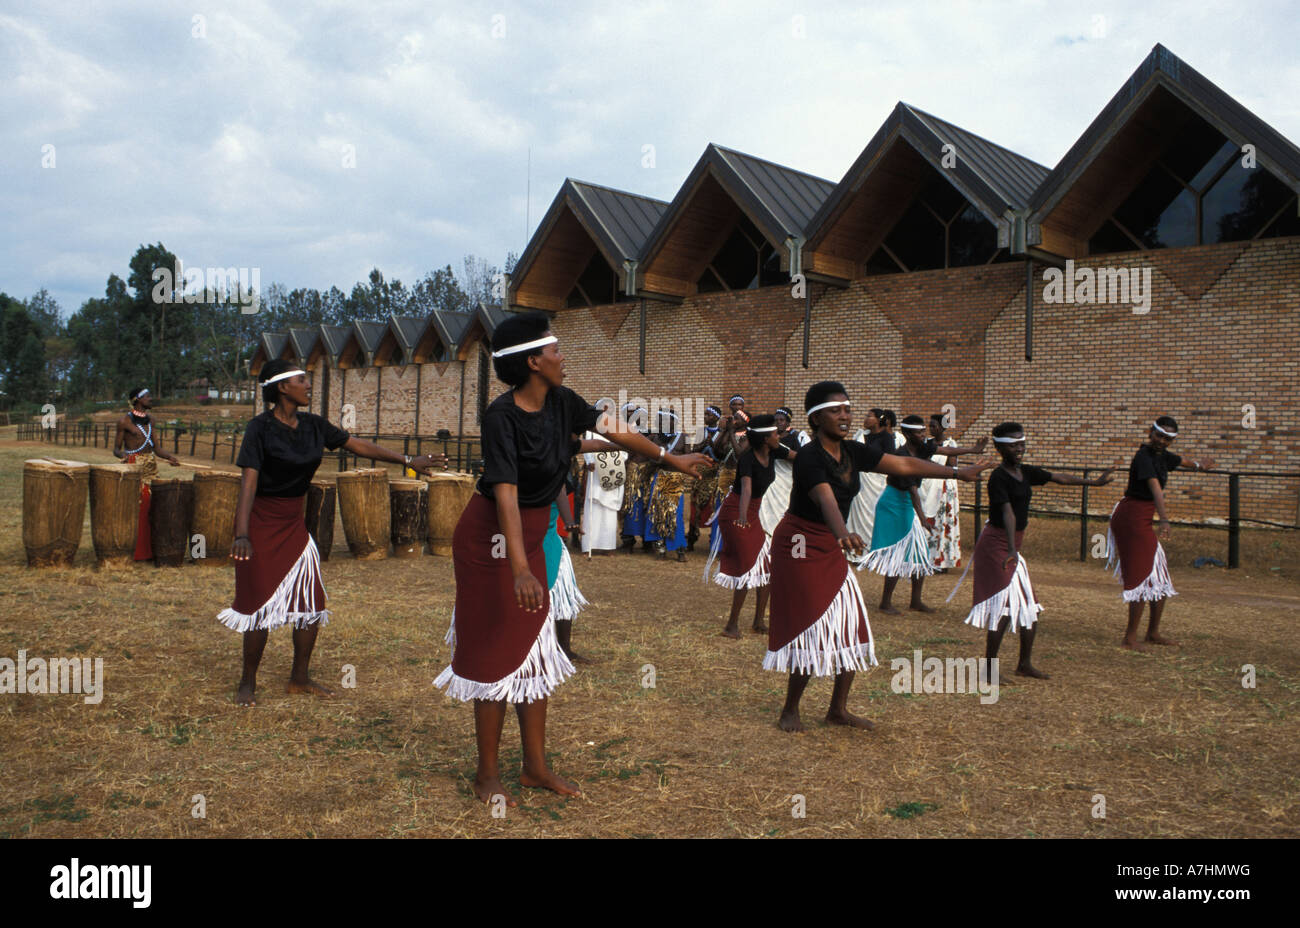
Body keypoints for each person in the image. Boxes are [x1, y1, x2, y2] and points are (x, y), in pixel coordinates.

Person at [432, 312, 710, 805]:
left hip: (530, 536)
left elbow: (617, 431)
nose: (564, 358)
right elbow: (506, 493)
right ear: (533, 361)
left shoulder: (562, 402)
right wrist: (519, 567)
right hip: (490, 540)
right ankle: (487, 774)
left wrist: (670, 459)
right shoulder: (501, 417)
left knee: (536, 649)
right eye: (556, 350)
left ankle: (535, 767)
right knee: (495, 647)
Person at [764, 382, 989, 733]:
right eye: (835, 410)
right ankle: (789, 709)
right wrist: (842, 533)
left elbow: (902, 464)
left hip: (830, 543)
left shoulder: (853, 451)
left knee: (851, 622)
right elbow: (824, 497)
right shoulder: (810, 457)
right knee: (812, 624)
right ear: (816, 417)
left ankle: (837, 709)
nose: (845, 415)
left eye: (847, 409)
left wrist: (959, 472)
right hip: (800, 542)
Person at [220, 359, 444, 707]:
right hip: (261, 524)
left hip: (294, 525)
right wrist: (242, 534)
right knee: (258, 607)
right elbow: (248, 484)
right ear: (282, 388)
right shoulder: (259, 429)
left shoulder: (314, 425)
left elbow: (357, 445)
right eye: (301, 380)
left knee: (310, 605)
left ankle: (299, 678)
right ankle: (247, 682)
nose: (308, 385)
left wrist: (407, 459)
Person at [958, 423, 1114, 678]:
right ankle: (988, 669)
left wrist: (1093, 483)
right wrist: (1011, 548)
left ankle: (1024, 664)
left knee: (1029, 606)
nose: (1019, 449)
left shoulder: (1025, 471)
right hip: (998, 545)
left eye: (1022, 444)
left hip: (1011, 546)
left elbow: (1058, 478)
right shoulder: (999, 477)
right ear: (999, 448)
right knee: (1004, 608)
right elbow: (1007, 512)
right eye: (1013, 445)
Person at [1107, 417, 1214, 651]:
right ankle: (1129, 638)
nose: (1162, 441)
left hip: (1142, 517)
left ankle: (1153, 632)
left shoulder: (1162, 455)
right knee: (1142, 576)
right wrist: (1164, 519)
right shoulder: (1144, 456)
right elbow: (1155, 487)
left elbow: (1181, 461)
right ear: (1150, 432)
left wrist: (1198, 465)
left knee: (1159, 577)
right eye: (1159, 435)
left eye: (1168, 438)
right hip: (1132, 517)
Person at [865, 415, 963, 613]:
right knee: (896, 553)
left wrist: (973, 450)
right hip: (893, 504)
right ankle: (885, 602)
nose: (923, 434)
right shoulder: (901, 455)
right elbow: (912, 490)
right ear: (908, 434)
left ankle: (915, 601)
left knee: (920, 554)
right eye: (919, 432)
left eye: (923, 431)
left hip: (907, 504)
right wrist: (922, 517)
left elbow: (946, 450)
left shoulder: (922, 448)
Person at [706, 414, 793, 638]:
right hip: (736, 513)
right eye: (775, 433)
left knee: (767, 567)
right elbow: (745, 489)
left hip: (751, 514)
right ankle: (731, 626)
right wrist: (743, 517)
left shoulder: (775, 450)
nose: (778, 436)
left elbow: (798, 457)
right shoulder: (748, 459)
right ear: (765, 438)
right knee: (747, 567)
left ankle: (758, 622)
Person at [113, 387, 181, 561]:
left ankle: (151, 551)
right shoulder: (124, 422)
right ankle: (136, 552)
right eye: (147, 396)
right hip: (134, 467)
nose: (151, 399)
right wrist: (124, 456)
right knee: (139, 508)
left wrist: (170, 457)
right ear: (137, 399)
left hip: (151, 467)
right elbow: (116, 449)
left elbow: (156, 448)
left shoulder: (151, 421)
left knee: (153, 507)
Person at [919, 413, 982, 571]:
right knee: (928, 521)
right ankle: (927, 557)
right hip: (927, 487)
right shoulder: (927, 443)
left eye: (934, 425)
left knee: (942, 523)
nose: (931, 428)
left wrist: (932, 465)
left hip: (943, 488)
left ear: (942, 427)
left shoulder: (950, 444)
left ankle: (942, 561)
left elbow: (952, 466)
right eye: (930, 425)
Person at [581, 430, 626, 556]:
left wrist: (618, 460)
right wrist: (589, 461)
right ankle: (588, 546)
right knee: (592, 510)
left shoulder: (617, 428)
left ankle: (608, 546)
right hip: (595, 474)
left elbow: (623, 450)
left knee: (609, 512)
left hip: (612, 471)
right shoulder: (590, 431)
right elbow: (586, 447)